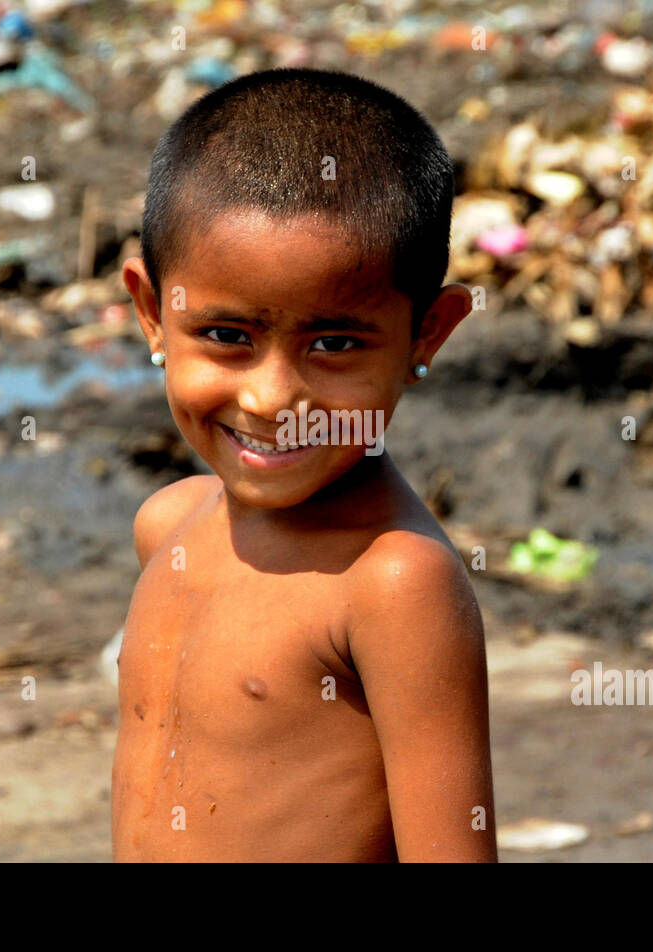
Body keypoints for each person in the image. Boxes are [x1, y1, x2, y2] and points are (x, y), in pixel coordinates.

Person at [112, 68, 496, 862]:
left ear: (429, 334)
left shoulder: (394, 584)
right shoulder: (168, 526)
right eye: (226, 336)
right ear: (153, 314)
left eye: (334, 345)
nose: (271, 397)